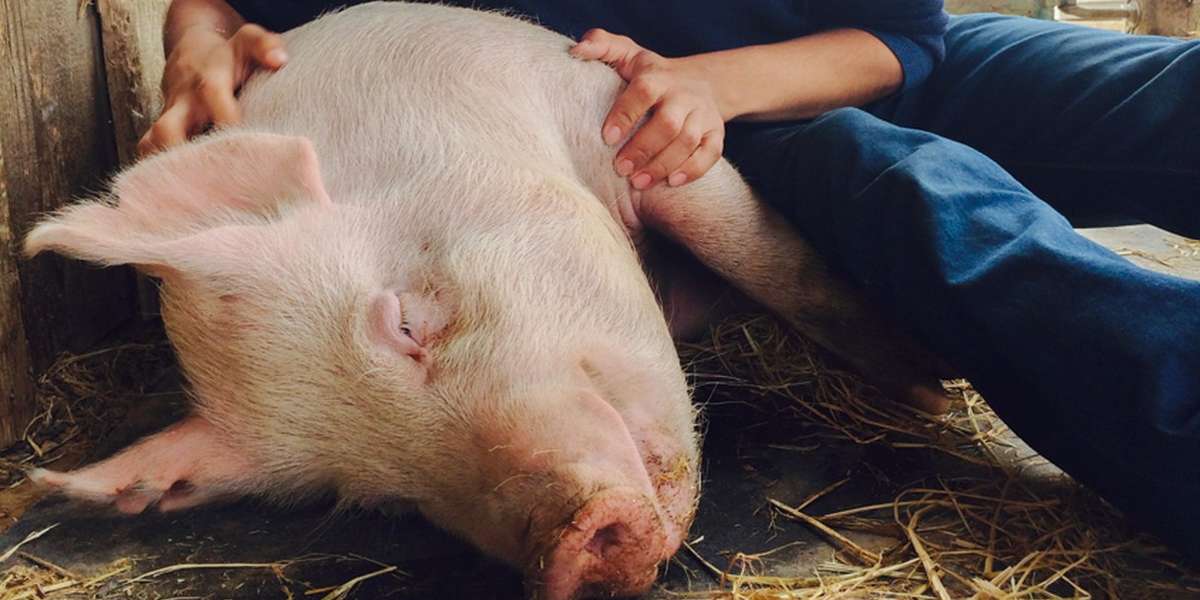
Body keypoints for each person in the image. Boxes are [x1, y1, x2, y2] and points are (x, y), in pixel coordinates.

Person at [146, 0, 1200, 561]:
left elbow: (907, 35)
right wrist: (195, 39)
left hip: (834, 62)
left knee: (1167, 100)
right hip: (692, 138)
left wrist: (718, 79)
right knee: (929, 199)